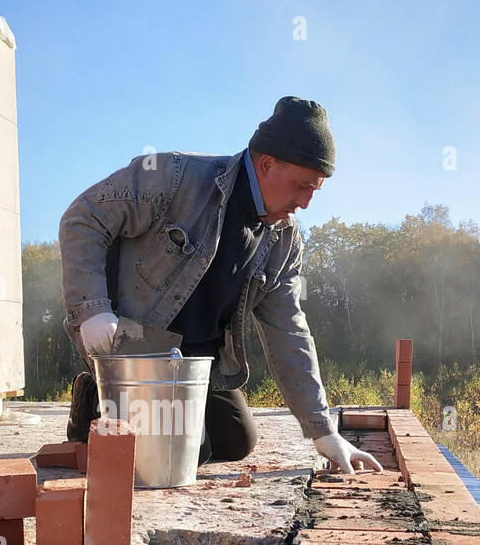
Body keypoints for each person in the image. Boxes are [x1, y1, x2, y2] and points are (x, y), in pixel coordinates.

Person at [58, 96, 381, 473]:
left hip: (197, 361)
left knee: (235, 441)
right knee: (175, 457)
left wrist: (323, 432)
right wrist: (92, 308)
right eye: (302, 186)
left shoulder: (284, 241)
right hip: (133, 345)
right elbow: (83, 219)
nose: (306, 203)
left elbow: (288, 329)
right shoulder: (173, 177)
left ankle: (117, 403)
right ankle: (97, 397)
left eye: (315, 190)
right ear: (267, 164)